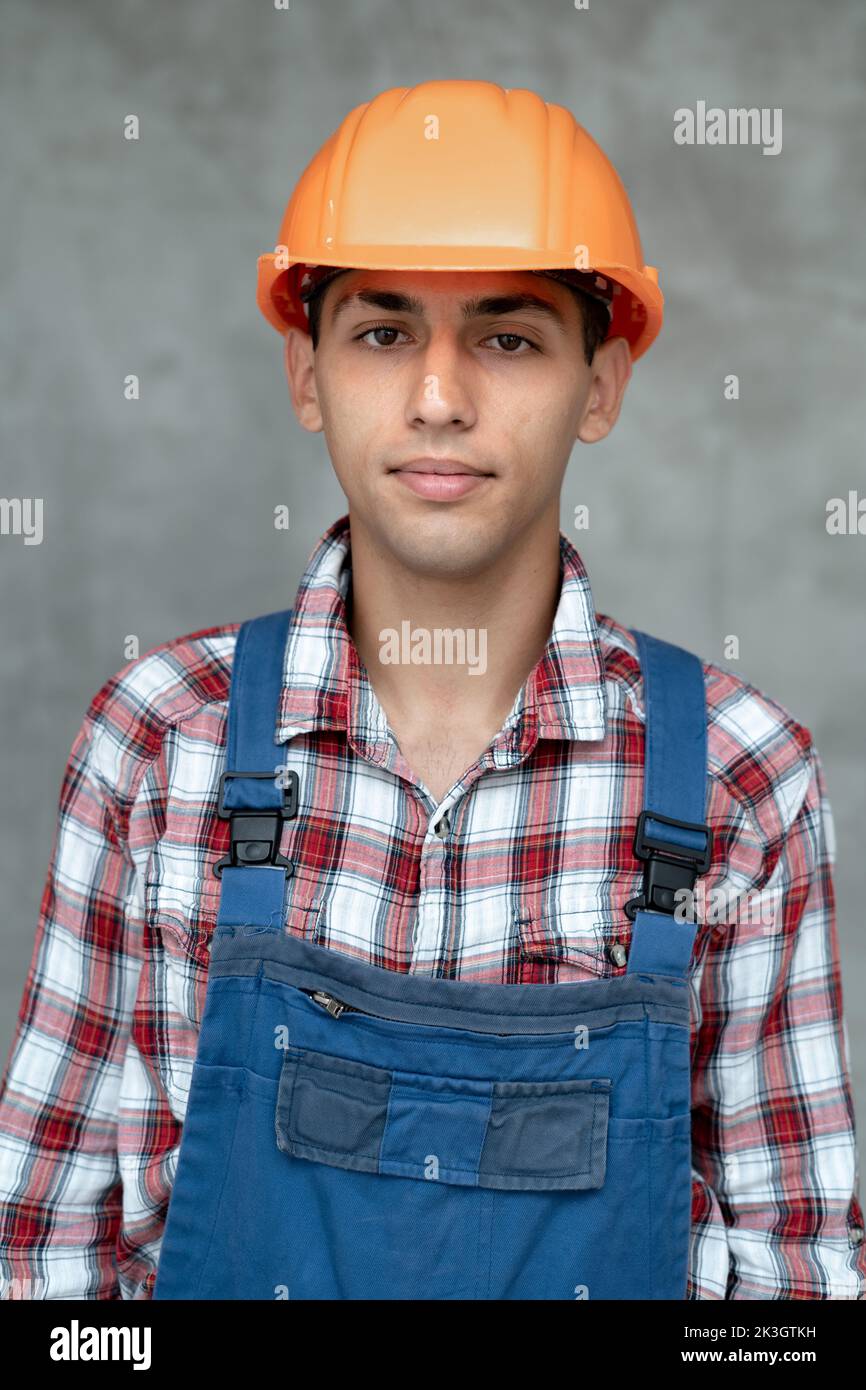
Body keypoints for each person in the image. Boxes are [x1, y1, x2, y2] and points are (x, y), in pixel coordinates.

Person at [0, 79, 863, 1301]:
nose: (440, 398)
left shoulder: (740, 775)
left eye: (507, 338)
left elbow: (799, 1287)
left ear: (601, 382)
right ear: (307, 372)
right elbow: (43, 1266)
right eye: (383, 331)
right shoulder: (154, 742)